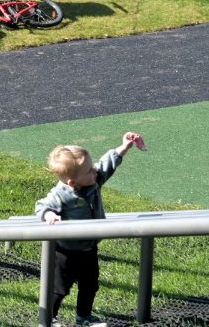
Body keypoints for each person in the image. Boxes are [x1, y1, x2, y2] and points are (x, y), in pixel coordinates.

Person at [36, 131, 148, 327]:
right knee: (60, 288)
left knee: (90, 285)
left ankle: (84, 318)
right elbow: (42, 205)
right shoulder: (61, 194)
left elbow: (106, 165)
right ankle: (49, 318)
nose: (94, 171)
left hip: (89, 248)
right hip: (65, 252)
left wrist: (124, 147)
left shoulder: (93, 180)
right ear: (72, 182)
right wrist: (49, 215)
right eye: (89, 170)